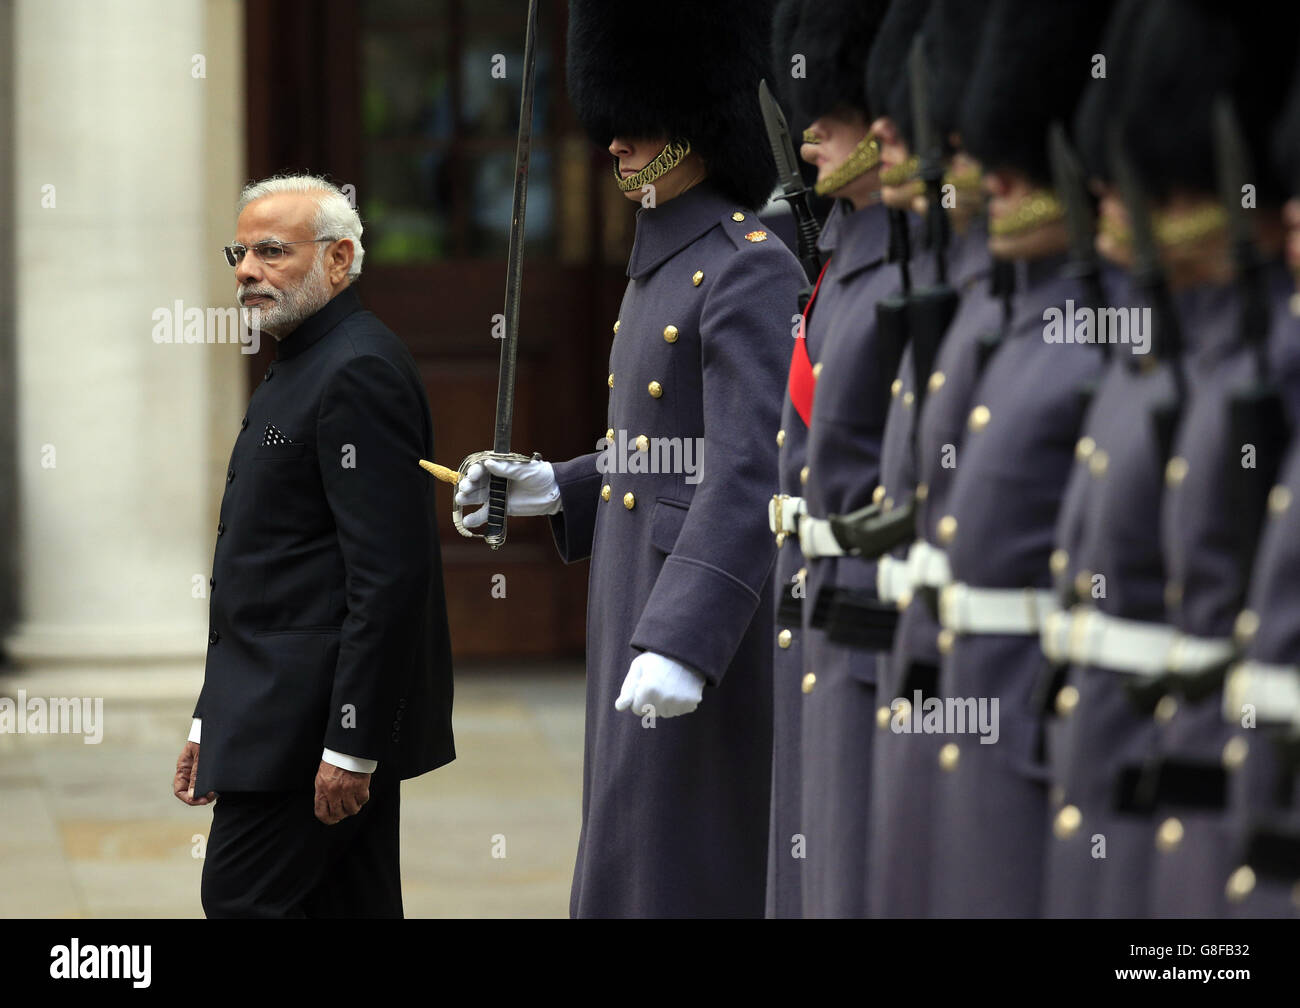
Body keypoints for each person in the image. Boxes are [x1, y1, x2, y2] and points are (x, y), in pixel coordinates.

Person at [457, 0, 801, 917]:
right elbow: (651, 455)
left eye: (634, 127)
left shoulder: (748, 266)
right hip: (637, 597)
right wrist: (552, 486)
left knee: (680, 866)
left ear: (693, 128)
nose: (611, 146)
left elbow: (748, 468)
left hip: (697, 618)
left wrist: (687, 640)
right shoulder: (660, 267)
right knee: (631, 852)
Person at [173, 174, 455, 918]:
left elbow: (389, 578)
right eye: (240, 252)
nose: (245, 270)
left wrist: (351, 746)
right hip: (277, 718)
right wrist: (212, 719)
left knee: (239, 900)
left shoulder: (356, 368)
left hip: (312, 734)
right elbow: (271, 568)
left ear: (338, 260)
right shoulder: (303, 356)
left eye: (272, 251)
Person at [763, 0, 891, 922]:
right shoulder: (836, 262)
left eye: (833, 119)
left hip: (871, 625)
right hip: (809, 602)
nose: (812, 135)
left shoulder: (899, 277)